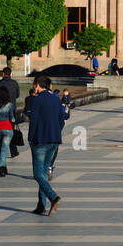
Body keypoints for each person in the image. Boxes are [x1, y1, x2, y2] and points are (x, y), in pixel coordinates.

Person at [28, 75, 69, 216]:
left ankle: (53, 197)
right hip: (54, 140)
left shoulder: (37, 100)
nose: (34, 87)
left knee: (38, 174)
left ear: (38, 85)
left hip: (40, 140)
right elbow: (62, 119)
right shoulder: (56, 99)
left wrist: (30, 138)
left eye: (34, 85)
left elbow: (33, 121)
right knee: (44, 173)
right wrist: (56, 131)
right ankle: (41, 205)